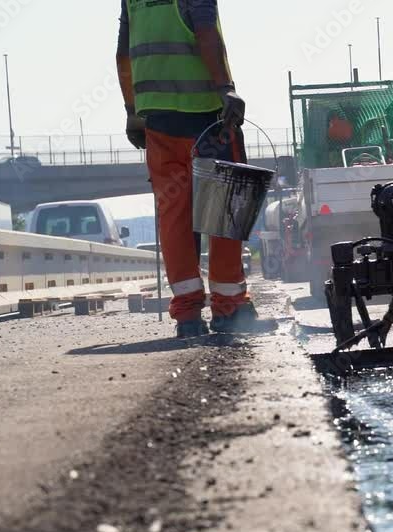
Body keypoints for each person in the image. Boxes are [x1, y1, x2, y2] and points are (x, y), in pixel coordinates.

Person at [116, 0, 276, 337]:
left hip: (158, 119)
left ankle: (188, 315)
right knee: (225, 209)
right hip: (207, 116)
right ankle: (228, 308)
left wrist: (133, 111)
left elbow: (123, 54)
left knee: (174, 214)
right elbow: (205, 33)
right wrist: (226, 89)